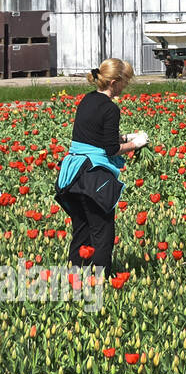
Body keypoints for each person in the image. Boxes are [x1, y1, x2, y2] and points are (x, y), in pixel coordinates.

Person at [56, 59, 147, 274]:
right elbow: (110, 149)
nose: (125, 86)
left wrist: (125, 135)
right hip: (93, 178)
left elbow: (92, 136)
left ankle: (75, 277)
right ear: (114, 82)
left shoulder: (87, 100)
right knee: (102, 232)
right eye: (125, 82)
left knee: (81, 229)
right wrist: (135, 143)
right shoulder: (111, 109)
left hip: (72, 175)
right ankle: (100, 279)